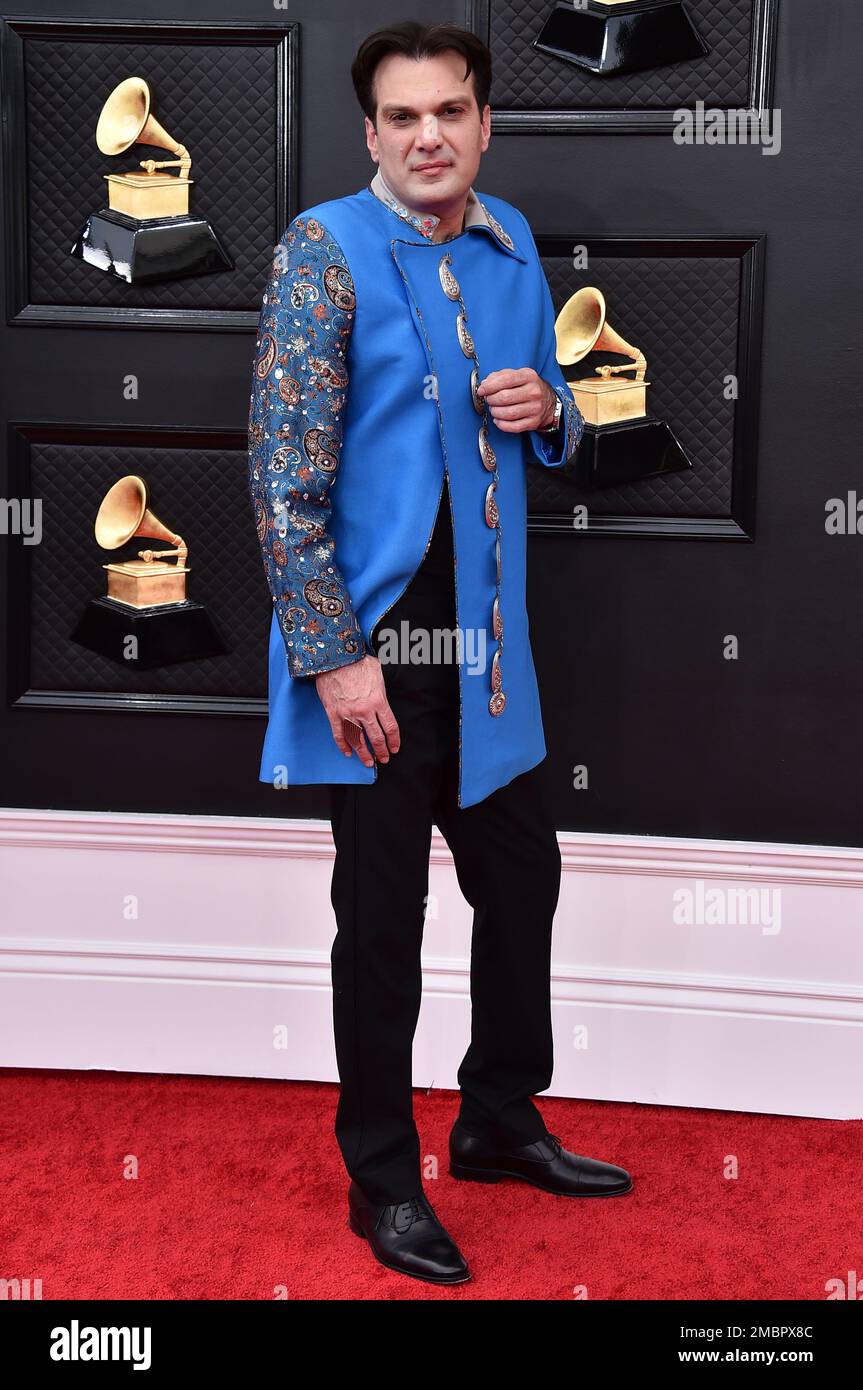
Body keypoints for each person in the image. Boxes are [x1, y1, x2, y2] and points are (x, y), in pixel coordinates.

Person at [247, 19, 632, 1287]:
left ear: (480, 123)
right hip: (375, 652)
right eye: (403, 117)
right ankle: (383, 1180)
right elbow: (280, 480)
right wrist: (332, 656)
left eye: (450, 112)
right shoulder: (323, 254)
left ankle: (497, 1117)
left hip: (488, 654)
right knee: (382, 922)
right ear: (371, 133)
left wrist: (553, 411)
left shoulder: (511, 242)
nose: (429, 136)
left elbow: (549, 416)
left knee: (523, 882)